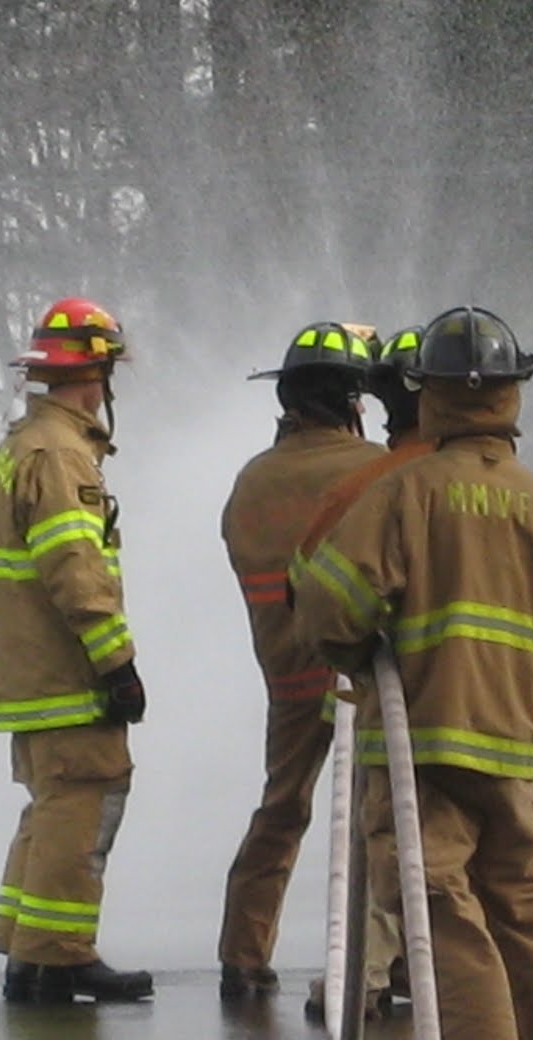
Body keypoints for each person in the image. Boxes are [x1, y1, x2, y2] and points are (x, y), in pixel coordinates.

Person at [292, 306, 533, 1040]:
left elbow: (331, 604)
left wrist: (359, 656)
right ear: (509, 393)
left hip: (424, 739)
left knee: (441, 912)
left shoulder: (409, 490)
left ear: (426, 394)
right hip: (514, 743)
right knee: (526, 911)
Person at [0, 296, 153, 1005]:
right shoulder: (59, 454)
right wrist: (117, 662)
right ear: (95, 372)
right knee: (82, 801)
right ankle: (58, 955)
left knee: (53, 806)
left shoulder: (22, 447)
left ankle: (28, 952)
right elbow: (76, 566)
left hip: (30, 670)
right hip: (66, 670)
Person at [218, 320, 384, 999]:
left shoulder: (251, 480)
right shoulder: (376, 470)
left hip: (288, 670)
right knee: (383, 814)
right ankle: (381, 963)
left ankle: (242, 953)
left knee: (282, 807)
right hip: (365, 673)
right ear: (351, 399)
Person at [292, 325, 433, 1022]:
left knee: (393, 840)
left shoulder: (371, 487)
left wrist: (348, 655)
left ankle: (368, 973)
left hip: (395, 704)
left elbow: (311, 588)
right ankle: (449, 979)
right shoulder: (513, 489)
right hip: (498, 715)